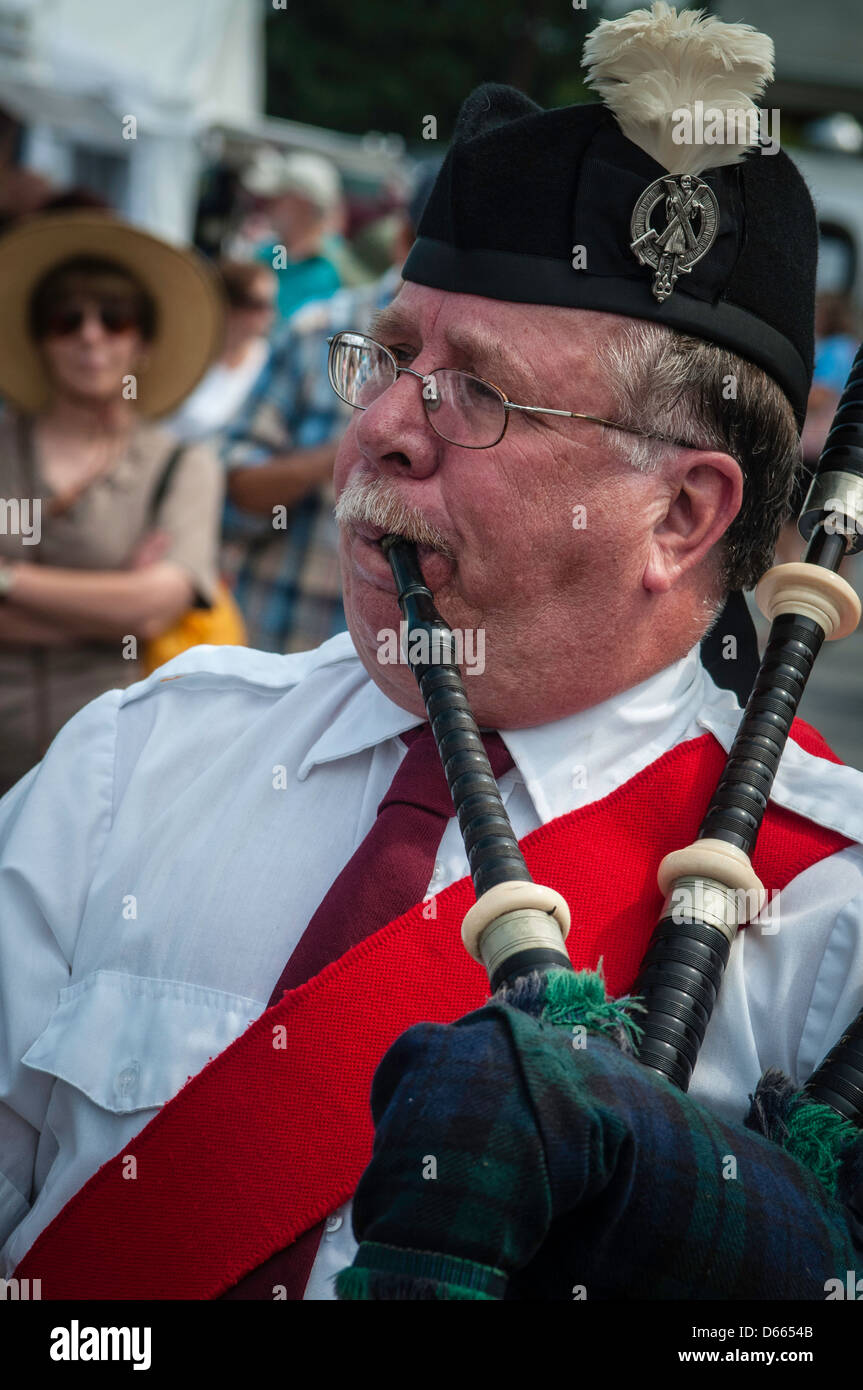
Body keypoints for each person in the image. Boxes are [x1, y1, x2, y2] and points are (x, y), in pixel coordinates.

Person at [1, 4, 862, 1302]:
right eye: (391, 357)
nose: (382, 432)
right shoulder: (142, 754)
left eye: (476, 390)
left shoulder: (826, 918)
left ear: (678, 516)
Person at [0, 211, 224, 792]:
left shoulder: (182, 465)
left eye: (115, 318)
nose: (90, 335)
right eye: (65, 318)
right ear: (40, 337)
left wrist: (9, 582)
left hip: (105, 775)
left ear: (142, 343)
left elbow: (157, 604)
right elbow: (137, 609)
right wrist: (111, 606)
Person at [219, 169, 435, 653]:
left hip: (402, 672)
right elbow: (234, 492)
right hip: (283, 639)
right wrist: (352, 450)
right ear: (404, 241)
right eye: (440, 246)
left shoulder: (491, 361)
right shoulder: (319, 330)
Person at [163, 260, 277, 446]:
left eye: (270, 304)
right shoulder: (183, 349)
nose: (269, 313)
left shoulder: (267, 360)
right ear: (228, 306)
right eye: (257, 304)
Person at [241, 149, 342, 322]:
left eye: (277, 198)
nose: (267, 205)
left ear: (301, 205)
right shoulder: (263, 256)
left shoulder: (335, 269)